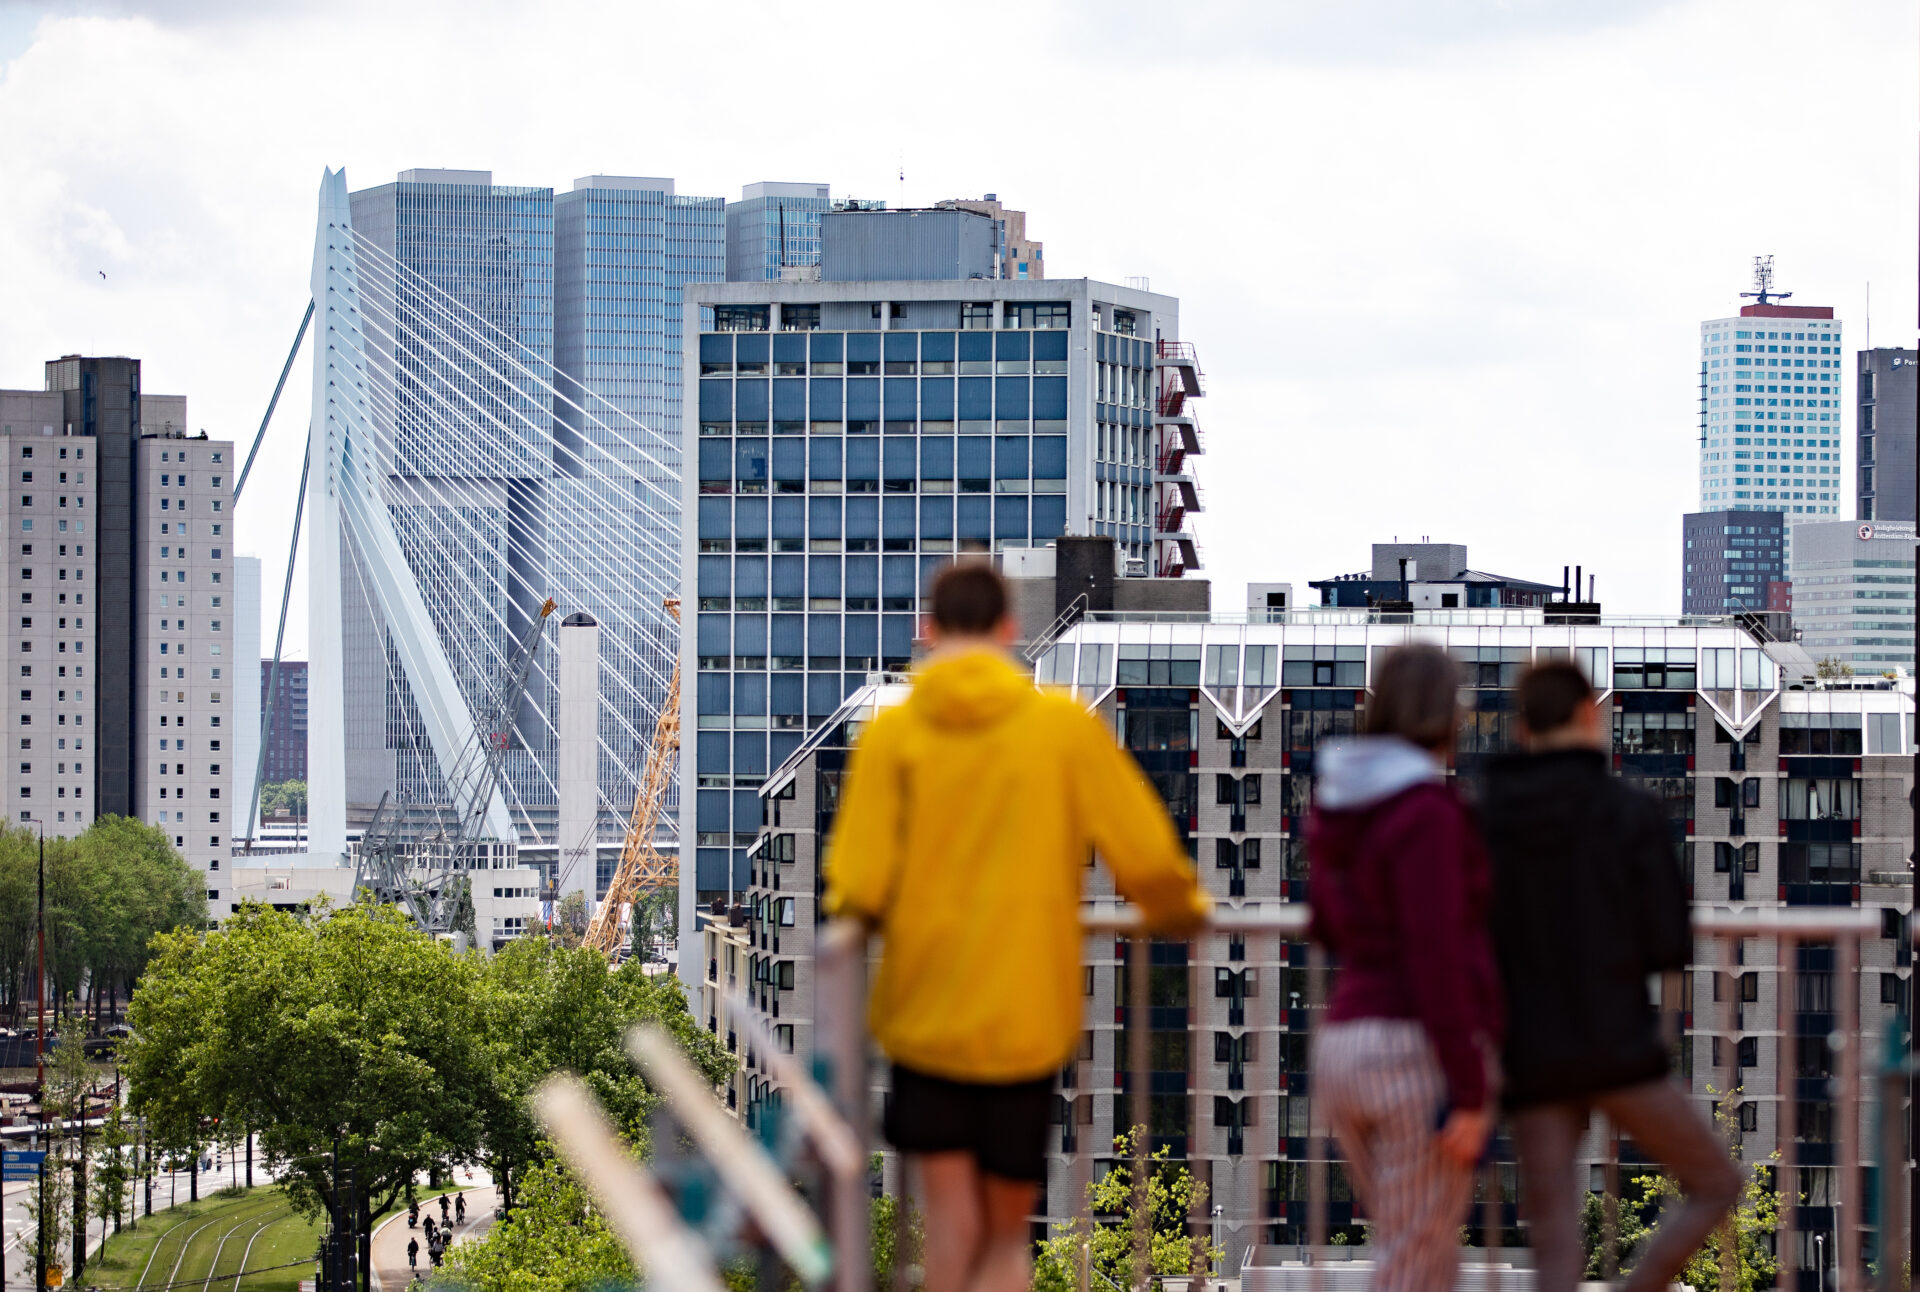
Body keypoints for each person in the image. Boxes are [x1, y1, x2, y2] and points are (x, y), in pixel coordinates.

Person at [825, 560, 1210, 1292]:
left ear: (928, 633)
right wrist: (1178, 915)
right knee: (1006, 1239)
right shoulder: (1061, 727)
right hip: (1022, 1018)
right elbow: (1149, 860)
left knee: (948, 1232)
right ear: (1009, 629)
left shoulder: (892, 735)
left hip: (925, 1016)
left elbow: (858, 882)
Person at [1481, 660, 1741, 1292]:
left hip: (1530, 1056)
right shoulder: (1629, 810)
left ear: (1521, 729)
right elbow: (1667, 941)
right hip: (1617, 1046)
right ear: (1589, 715)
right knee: (1716, 1183)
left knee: (1555, 1243)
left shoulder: (1484, 820)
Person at [1307, 643, 1502, 1292]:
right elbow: (1436, 954)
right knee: (1412, 1265)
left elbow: (1329, 925)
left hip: (1343, 1048)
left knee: (1418, 1250)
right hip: (1410, 1054)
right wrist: (1470, 1090)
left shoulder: (1340, 808)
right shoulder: (1427, 814)